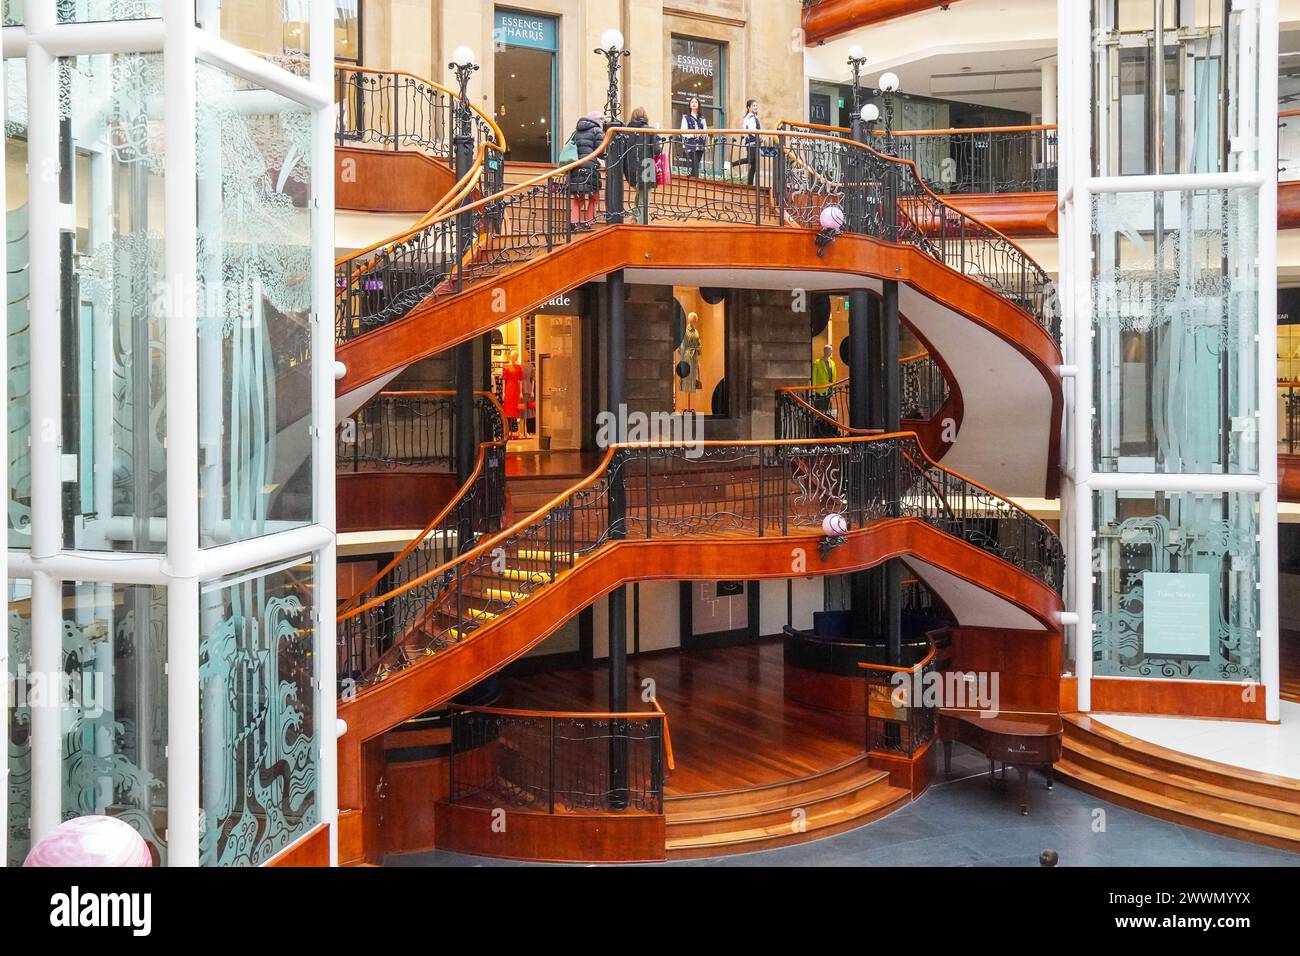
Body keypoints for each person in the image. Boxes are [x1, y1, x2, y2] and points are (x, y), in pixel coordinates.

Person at [621, 106, 661, 224]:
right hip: (646, 165)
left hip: (630, 167)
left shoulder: (626, 131)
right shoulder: (650, 130)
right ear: (645, 116)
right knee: (645, 197)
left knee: (640, 192)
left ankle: (635, 218)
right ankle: (643, 223)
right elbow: (657, 150)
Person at [565, 110, 604, 230]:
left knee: (578, 196)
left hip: (576, 168)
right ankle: (589, 222)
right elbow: (601, 152)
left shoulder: (576, 132)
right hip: (590, 168)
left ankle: (574, 222)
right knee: (594, 196)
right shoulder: (597, 131)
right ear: (597, 120)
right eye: (602, 119)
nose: (603, 122)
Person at [731, 98, 762, 185]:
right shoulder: (750, 117)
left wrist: (760, 138)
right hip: (752, 142)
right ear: (749, 107)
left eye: (756, 105)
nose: (756, 107)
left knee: (754, 166)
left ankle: (750, 184)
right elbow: (752, 130)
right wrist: (758, 137)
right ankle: (732, 164)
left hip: (755, 142)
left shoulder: (754, 117)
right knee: (750, 159)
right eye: (754, 105)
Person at [810, 344, 837, 434]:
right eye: (827, 350)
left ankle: (826, 428)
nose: (829, 352)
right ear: (824, 351)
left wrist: (833, 389)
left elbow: (834, 377)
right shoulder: (817, 362)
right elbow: (814, 377)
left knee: (827, 409)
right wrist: (813, 389)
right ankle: (818, 428)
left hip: (829, 389)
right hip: (819, 390)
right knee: (819, 409)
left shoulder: (832, 363)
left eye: (831, 351)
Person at [680, 96, 708, 177]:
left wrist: (703, 134)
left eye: (696, 102)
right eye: (692, 102)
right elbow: (682, 131)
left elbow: (706, 130)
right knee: (695, 162)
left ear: (698, 105)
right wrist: (691, 135)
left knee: (696, 164)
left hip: (700, 143)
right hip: (691, 143)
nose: (694, 104)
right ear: (689, 105)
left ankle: (691, 178)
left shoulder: (702, 118)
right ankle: (696, 182)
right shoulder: (686, 117)